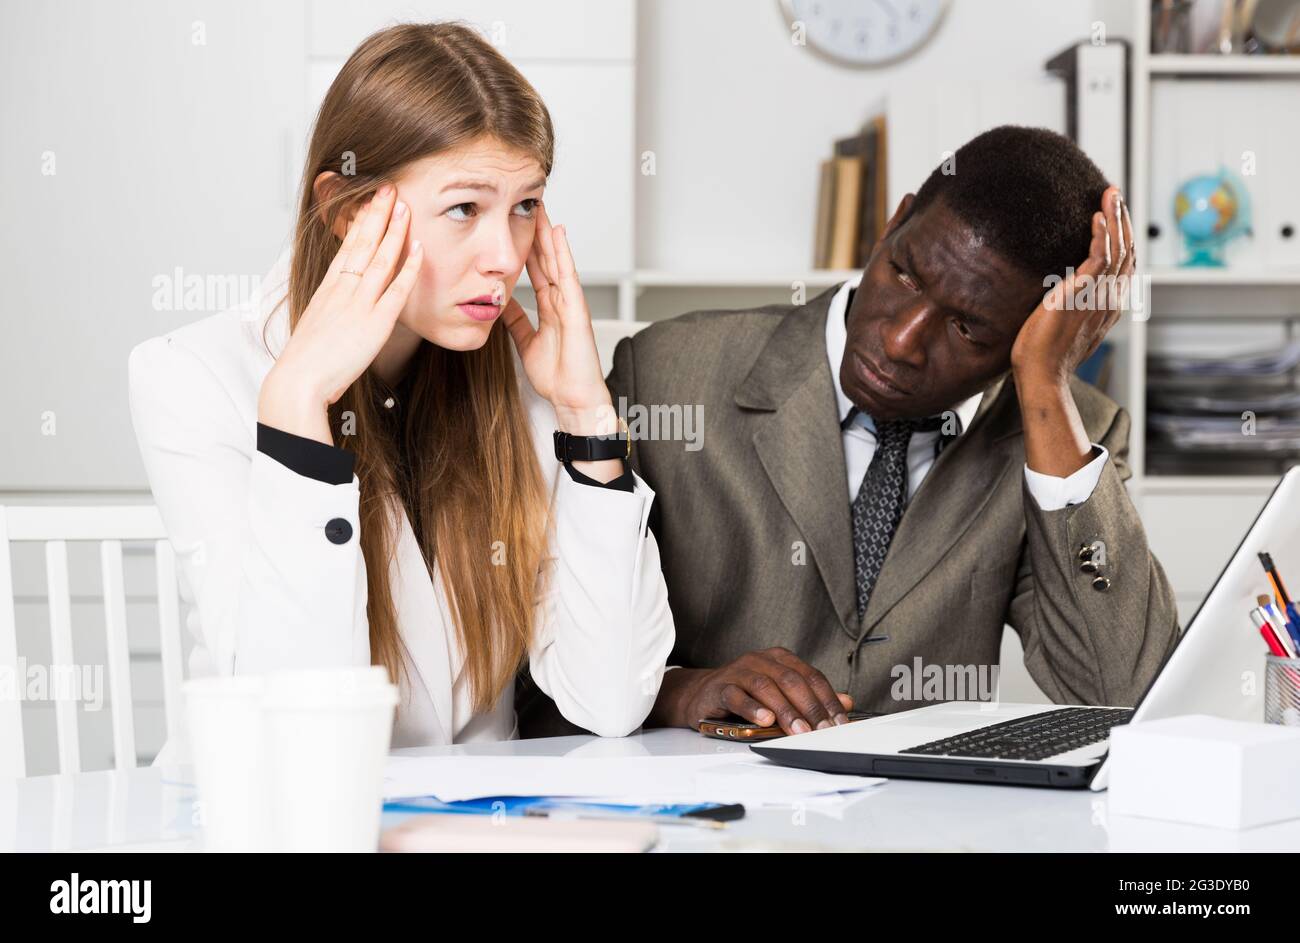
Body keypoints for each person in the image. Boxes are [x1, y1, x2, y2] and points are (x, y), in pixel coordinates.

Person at [518, 126, 1179, 738]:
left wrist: (1045, 382)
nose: (899, 340)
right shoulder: (668, 375)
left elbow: (1125, 700)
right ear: (895, 223)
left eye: (968, 328)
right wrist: (679, 691)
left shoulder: (1066, 436)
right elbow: (533, 680)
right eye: (904, 272)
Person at [128, 22, 673, 760]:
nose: (505, 257)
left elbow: (609, 699)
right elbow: (299, 724)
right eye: (464, 209)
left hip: (474, 824)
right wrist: (296, 410)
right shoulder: (191, 375)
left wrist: (586, 416)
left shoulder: (521, 375)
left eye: (524, 205)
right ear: (350, 210)